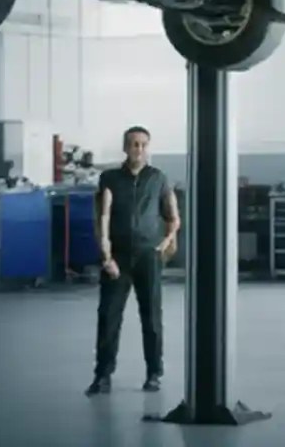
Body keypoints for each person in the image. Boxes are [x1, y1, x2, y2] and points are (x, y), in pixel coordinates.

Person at [86, 126, 181, 396]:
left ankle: (154, 373)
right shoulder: (110, 178)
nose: (138, 149)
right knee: (108, 316)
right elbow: (103, 217)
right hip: (118, 258)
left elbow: (173, 217)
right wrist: (106, 256)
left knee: (151, 317)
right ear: (125, 147)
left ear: (147, 147)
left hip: (147, 257)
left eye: (143, 144)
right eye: (133, 144)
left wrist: (162, 245)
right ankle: (102, 376)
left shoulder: (159, 178)